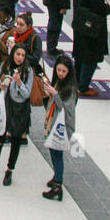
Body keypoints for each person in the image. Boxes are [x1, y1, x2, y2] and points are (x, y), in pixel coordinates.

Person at [0, 43, 34, 186]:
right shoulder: (5, 65)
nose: (20, 58)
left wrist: (19, 82)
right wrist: (1, 85)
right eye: (18, 54)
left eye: (22, 55)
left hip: (20, 109)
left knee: (15, 140)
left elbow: (27, 93)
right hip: (5, 106)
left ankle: (9, 170)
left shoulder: (28, 70)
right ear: (13, 54)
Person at [41, 53, 77, 202]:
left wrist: (54, 94)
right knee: (53, 152)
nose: (60, 74)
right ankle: (57, 177)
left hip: (61, 127)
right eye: (59, 70)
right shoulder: (59, 83)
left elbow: (65, 108)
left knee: (57, 154)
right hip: (53, 123)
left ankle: (58, 184)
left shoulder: (70, 88)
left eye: (63, 71)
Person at [72, 0, 110, 95]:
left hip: (79, 24)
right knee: (91, 57)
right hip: (91, 26)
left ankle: (76, 82)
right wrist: (107, 8)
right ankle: (83, 87)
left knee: (80, 55)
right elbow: (99, 7)